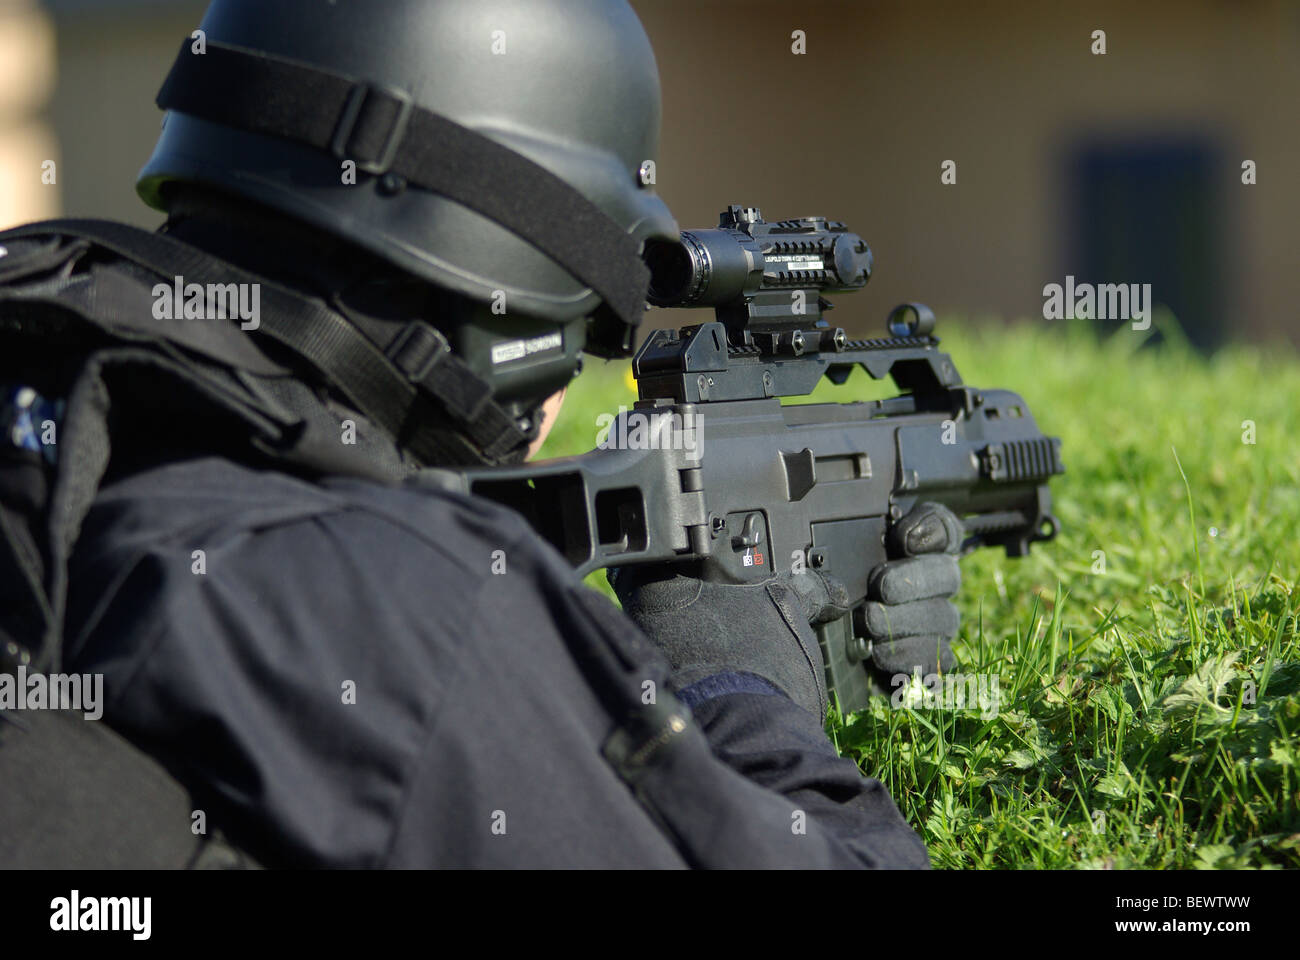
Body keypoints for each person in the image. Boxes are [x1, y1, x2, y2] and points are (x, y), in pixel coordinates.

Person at [0, 0, 961, 868]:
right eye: (587, 322)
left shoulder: (43, 362)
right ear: (505, 301)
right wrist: (739, 690)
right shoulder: (422, 610)